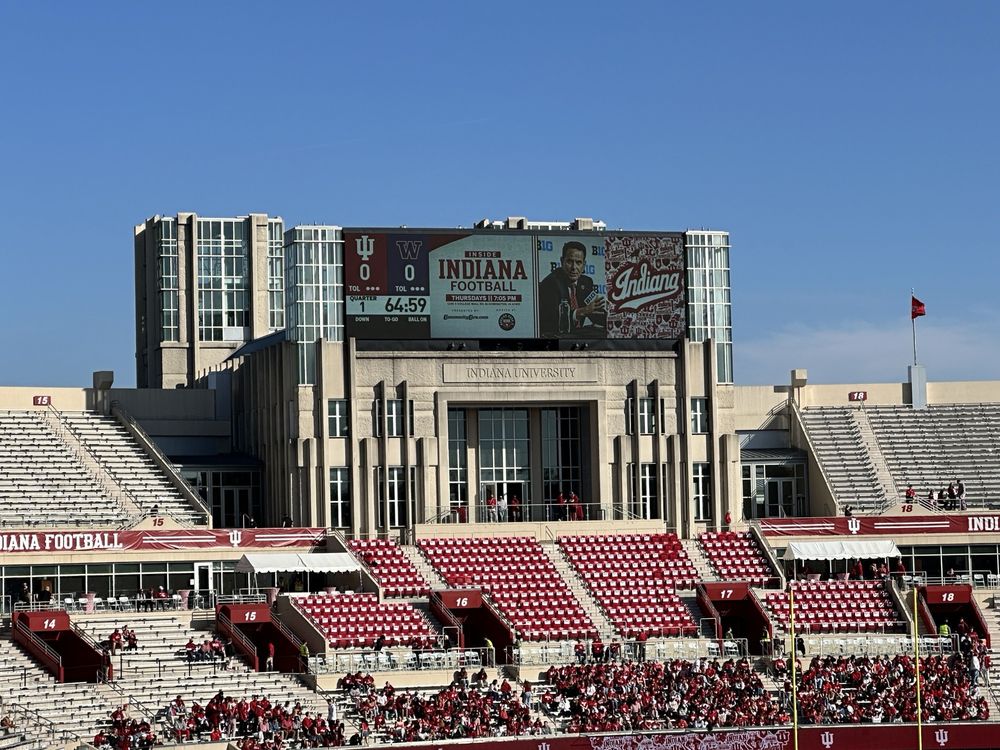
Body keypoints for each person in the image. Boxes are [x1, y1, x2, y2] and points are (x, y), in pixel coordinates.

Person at [538, 240, 606, 337]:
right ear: (562, 261)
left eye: (578, 262)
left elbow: (594, 311)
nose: (574, 267)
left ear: (584, 265)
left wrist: (614, 321)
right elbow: (553, 320)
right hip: (556, 337)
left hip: (576, 335)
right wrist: (582, 311)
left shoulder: (586, 282)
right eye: (570, 261)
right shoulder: (550, 283)